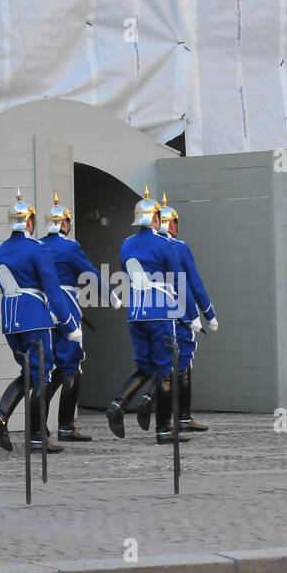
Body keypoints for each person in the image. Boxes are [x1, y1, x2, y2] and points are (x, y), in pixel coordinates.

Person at [0, 190, 81, 453]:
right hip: (35, 319)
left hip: (10, 318)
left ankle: (0, 416)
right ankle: (37, 437)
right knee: (42, 375)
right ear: (29, 221)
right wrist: (69, 324)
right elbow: (52, 290)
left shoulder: (1, 249)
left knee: (28, 373)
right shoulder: (38, 249)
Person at [106, 186, 190, 445]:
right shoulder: (164, 244)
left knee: (144, 367)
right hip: (159, 313)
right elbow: (177, 279)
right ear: (155, 219)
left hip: (136, 313)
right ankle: (164, 429)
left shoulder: (126, 245)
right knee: (166, 370)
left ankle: (118, 404)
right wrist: (185, 314)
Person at [40, 191, 115, 441]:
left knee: (47, 369)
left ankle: (38, 421)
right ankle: (65, 426)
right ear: (64, 223)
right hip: (66, 307)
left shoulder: (38, 245)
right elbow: (90, 274)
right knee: (72, 365)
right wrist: (112, 298)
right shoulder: (69, 248)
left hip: (41, 309)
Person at [158, 194, 218, 432]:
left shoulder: (143, 245)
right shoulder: (178, 247)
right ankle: (181, 416)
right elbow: (193, 283)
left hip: (153, 311)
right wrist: (208, 313)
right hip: (179, 310)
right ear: (171, 223)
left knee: (160, 361)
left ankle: (146, 405)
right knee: (183, 361)